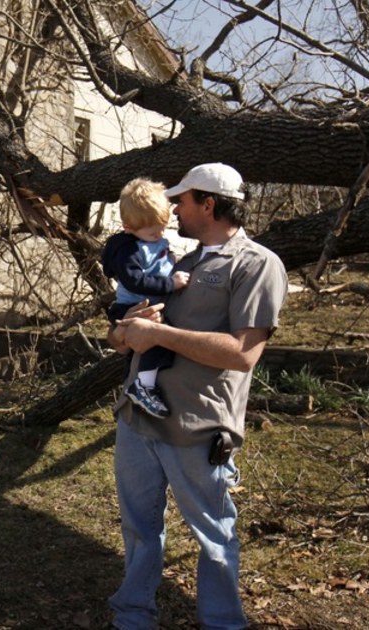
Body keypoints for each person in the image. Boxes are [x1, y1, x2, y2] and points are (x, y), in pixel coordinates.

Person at [108, 163, 288, 630]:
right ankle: (133, 617)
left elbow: (243, 354)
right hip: (138, 420)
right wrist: (128, 330)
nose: (173, 210)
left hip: (198, 428)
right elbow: (120, 338)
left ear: (208, 204)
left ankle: (223, 623)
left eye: (182, 201)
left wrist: (161, 334)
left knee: (213, 535)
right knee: (140, 530)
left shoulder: (257, 265)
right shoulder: (175, 261)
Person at [101, 178, 191, 419]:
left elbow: (160, 260)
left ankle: (143, 382)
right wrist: (170, 284)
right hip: (131, 306)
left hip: (148, 303)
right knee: (158, 340)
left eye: (162, 227)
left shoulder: (150, 238)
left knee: (155, 344)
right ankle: (143, 386)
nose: (159, 234)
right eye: (153, 232)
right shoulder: (128, 250)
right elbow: (136, 281)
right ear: (129, 227)